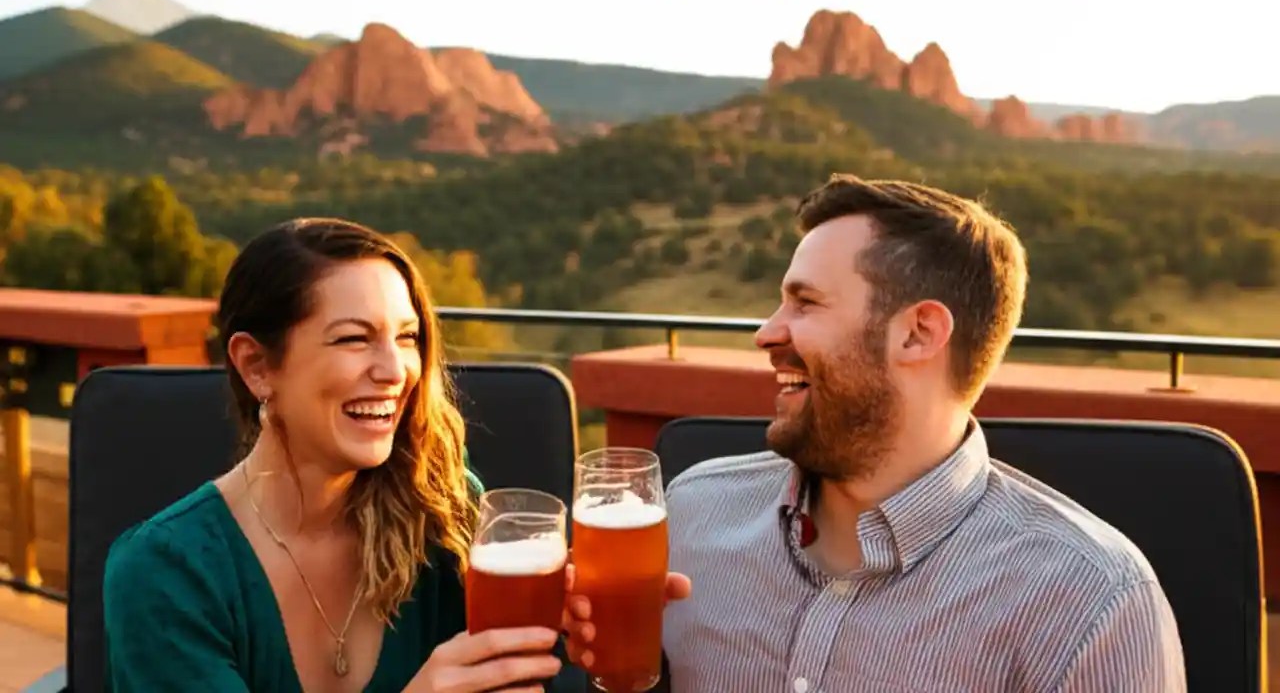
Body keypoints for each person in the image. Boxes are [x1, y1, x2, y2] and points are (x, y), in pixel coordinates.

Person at [619, 175, 1183, 691]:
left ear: (918, 334)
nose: (767, 332)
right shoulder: (692, 511)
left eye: (805, 302)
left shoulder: (1092, 603)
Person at [102, 217, 577, 692]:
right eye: (353, 338)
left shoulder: (445, 517)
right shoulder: (166, 575)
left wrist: (579, 650)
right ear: (257, 366)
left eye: (407, 337)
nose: (395, 370)